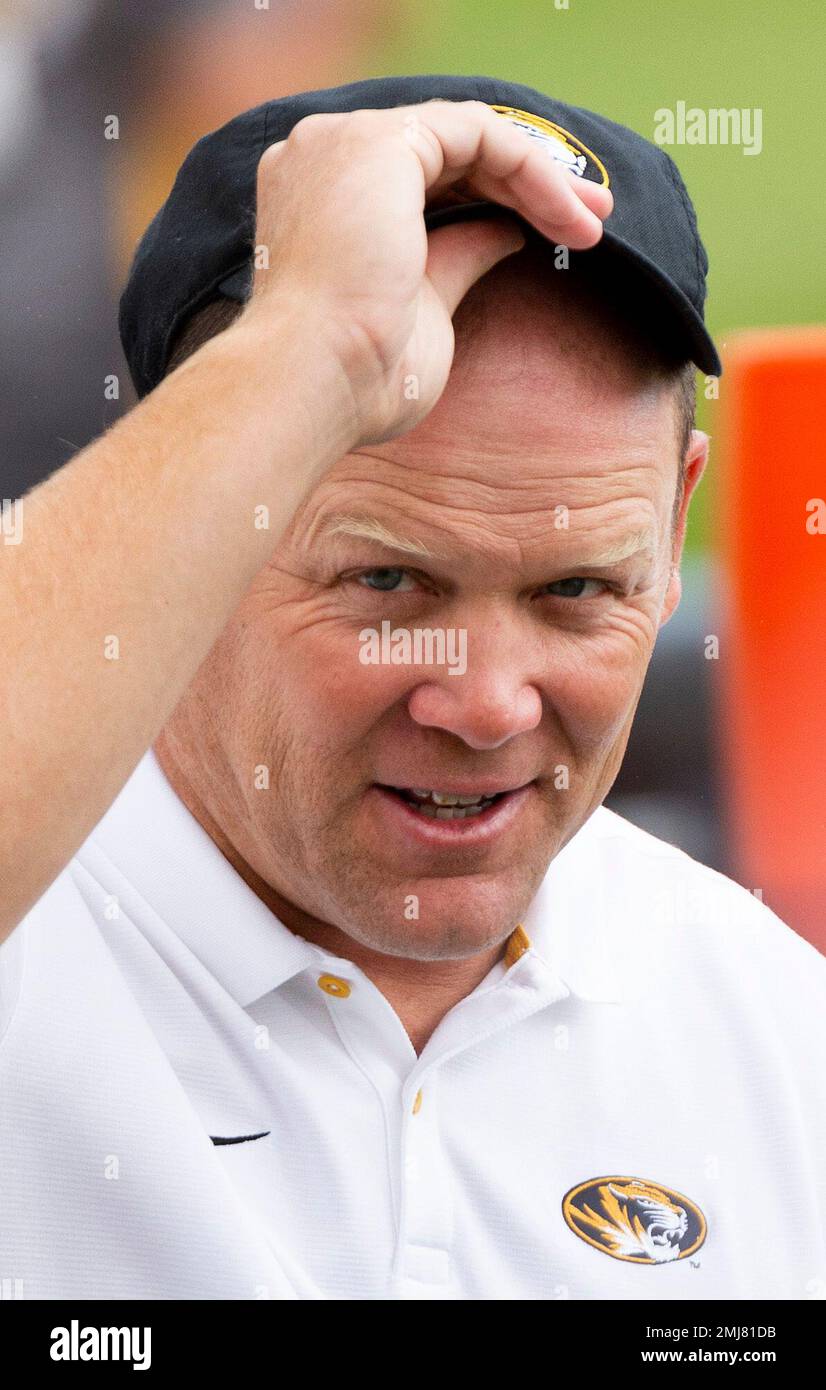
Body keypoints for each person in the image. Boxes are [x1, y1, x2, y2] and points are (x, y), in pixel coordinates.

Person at [0, 76, 823, 1301]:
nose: (487, 705)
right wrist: (310, 352)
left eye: (578, 591)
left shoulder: (776, 1031)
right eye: (388, 580)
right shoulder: (38, 947)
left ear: (677, 510)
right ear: (188, 521)